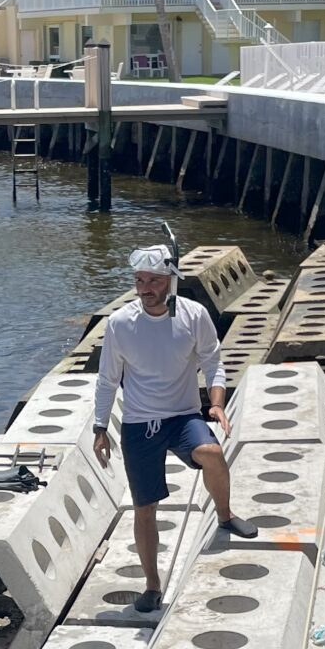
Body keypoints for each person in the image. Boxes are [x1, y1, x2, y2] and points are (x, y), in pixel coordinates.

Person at [91, 244, 256, 616]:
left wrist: (216, 403)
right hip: (139, 423)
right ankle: (152, 586)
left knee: (212, 453)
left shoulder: (194, 316)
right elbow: (106, 380)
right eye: (139, 281)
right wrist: (101, 426)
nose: (145, 288)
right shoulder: (120, 324)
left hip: (183, 416)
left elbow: (213, 363)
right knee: (144, 507)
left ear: (171, 282)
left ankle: (226, 515)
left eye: (153, 281)